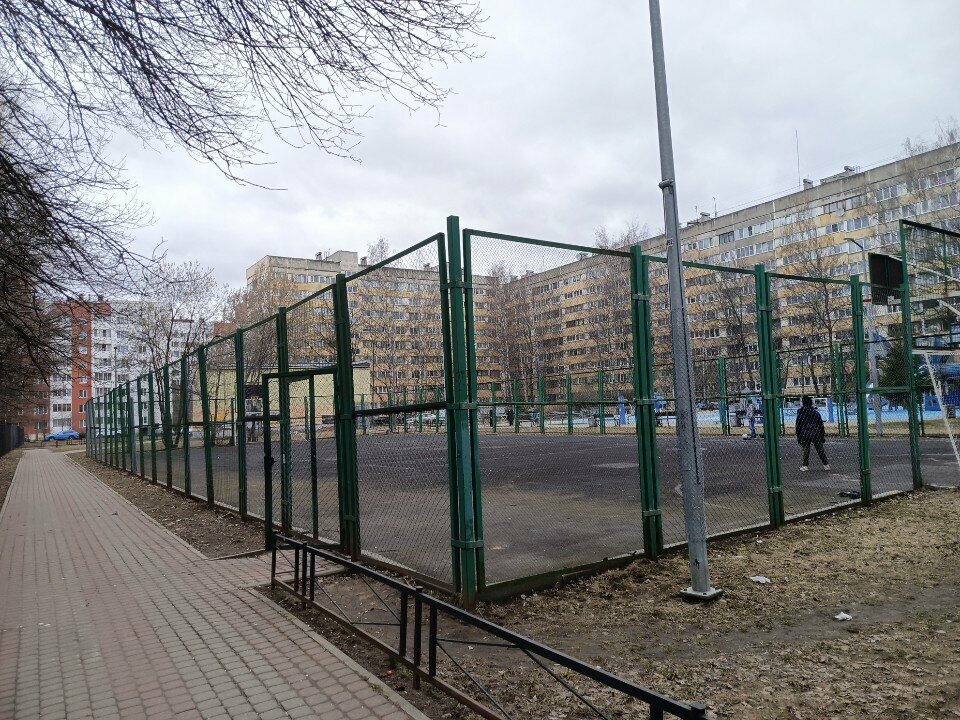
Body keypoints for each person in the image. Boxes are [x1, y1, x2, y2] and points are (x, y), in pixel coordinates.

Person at [796, 395, 830, 471]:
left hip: (804, 433)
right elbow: (820, 425)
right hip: (816, 432)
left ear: (803, 403)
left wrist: (799, 437)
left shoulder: (801, 413)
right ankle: (826, 465)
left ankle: (805, 466)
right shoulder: (815, 412)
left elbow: (798, 426)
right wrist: (822, 436)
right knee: (820, 450)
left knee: (805, 450)